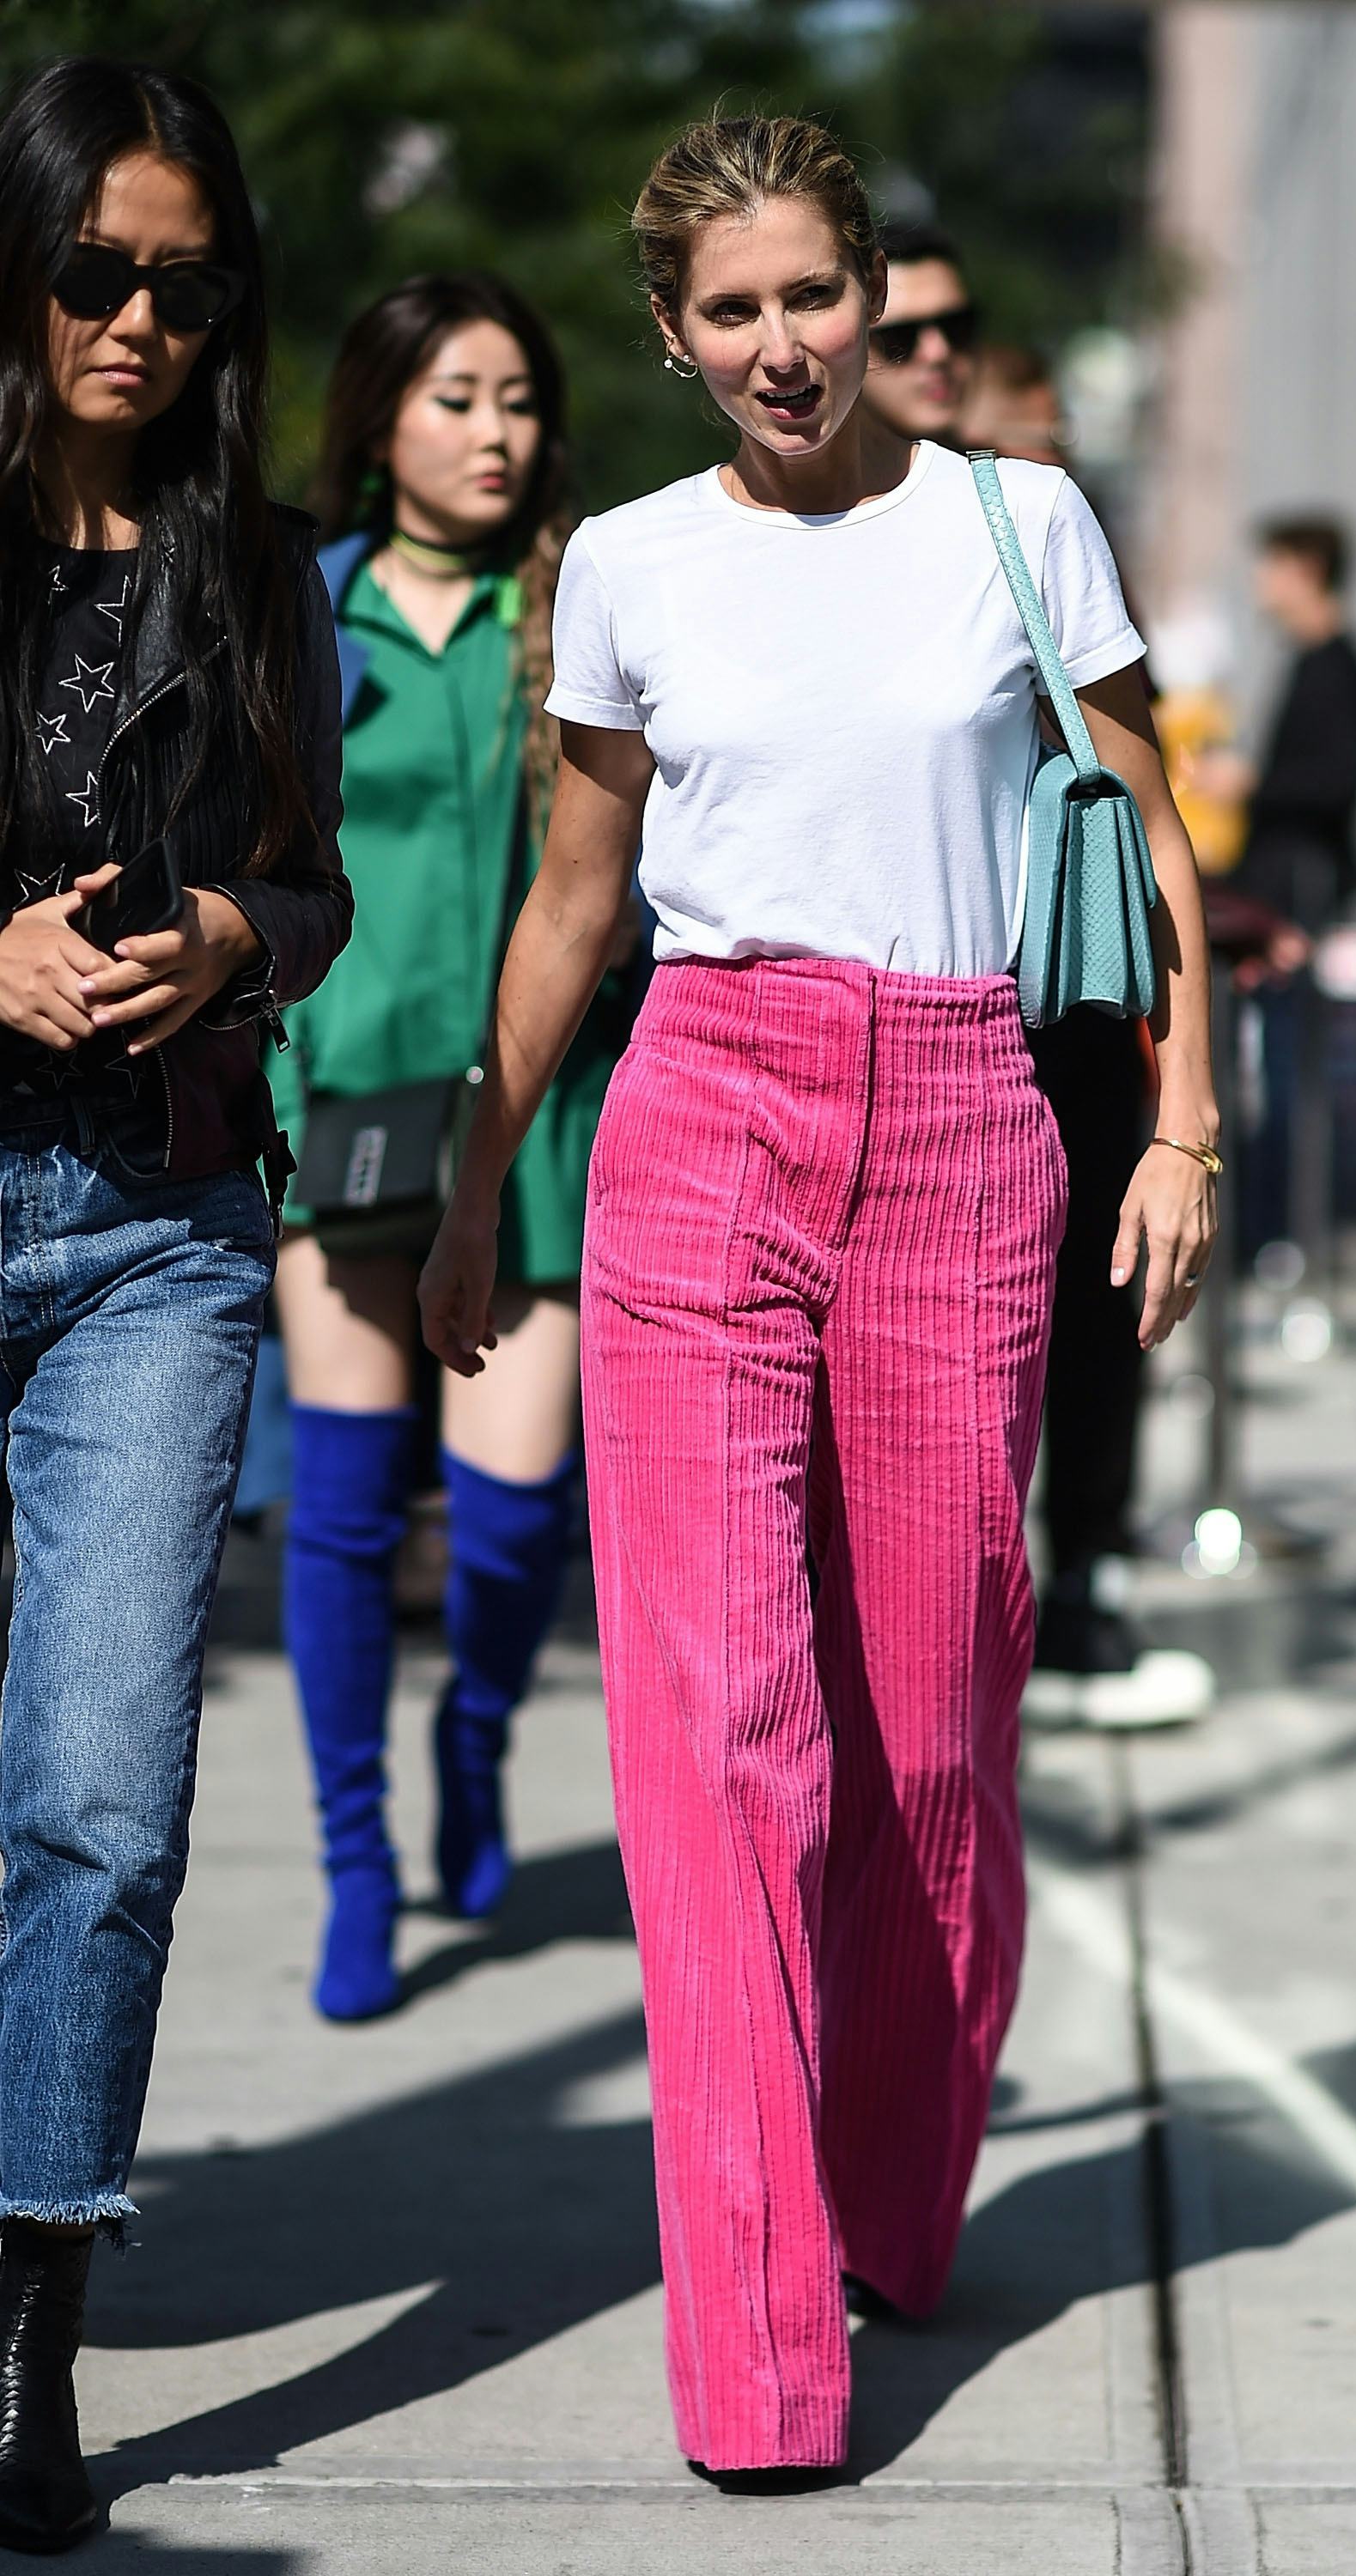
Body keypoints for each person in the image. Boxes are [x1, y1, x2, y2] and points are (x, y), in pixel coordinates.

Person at [418, 114, 1219, 2477]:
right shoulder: (634, 565)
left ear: (877, 297)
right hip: (703, 1123)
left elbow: (1150, 837)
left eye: (815, 298)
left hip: (971, 1123)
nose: (781, 346)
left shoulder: (1018, 518)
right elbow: (579, 898)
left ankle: (886, 2182)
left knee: (937, 1730)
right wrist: (477, 1173)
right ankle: (757, 2343)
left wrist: (1177, 1133)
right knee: (719, 1735)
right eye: (730, 313)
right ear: (671, 338)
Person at [0, 56, 350, 2550]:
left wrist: (226, 927)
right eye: (97, 267)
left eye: (187, 284)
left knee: (102, 1801)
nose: (139, 318)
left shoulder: (258, 568)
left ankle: (32, 2341)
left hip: (154, 1230)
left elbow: (307, 882)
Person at [272, 274, 641, 2026]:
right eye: (455, 398)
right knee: (341, 1518)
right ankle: (359, 1867)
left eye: (516, 399)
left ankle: (476, 1739)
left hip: (536, 1122)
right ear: (379, 421)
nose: (494, 432)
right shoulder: (304, 607)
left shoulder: (579, 608)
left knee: (505, 1527)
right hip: (336, 1110)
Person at [866, 277, 1209, 1719]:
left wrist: (1182, 1118)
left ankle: (1067, 1587)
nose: (935, 358)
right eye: (903, 334)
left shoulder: (1029, 520)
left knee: (1086, 1306)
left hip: (1056, 1003)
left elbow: (1142, 796)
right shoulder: (770, 546)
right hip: (881, 1025)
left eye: (956, 334)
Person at [1195, 515, 1356, 1257]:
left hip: (1298, 893)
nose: (1260, 584)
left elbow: (1334, 784)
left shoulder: (1338, 665)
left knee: (1285, 1072)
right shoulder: (1312, 660)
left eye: (1270, 566)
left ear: (1305, 568)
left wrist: (1249, 783)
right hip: (1276, 885)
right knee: (1267, 1068)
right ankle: (1269, 1230)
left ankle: (1280, 1236)